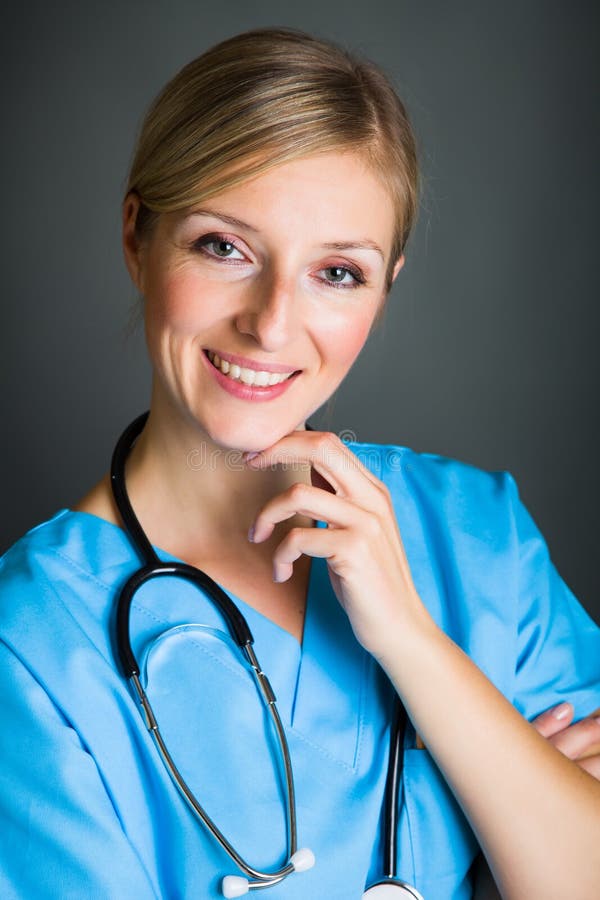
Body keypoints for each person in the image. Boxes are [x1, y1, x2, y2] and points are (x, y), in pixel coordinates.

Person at [1, 25, 599, 900]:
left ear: (385, 288)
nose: (272, 323)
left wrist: (411, 640)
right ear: (137, 238)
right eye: (224, 247)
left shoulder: (481, 536)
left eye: (338, 272)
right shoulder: (31, 646)